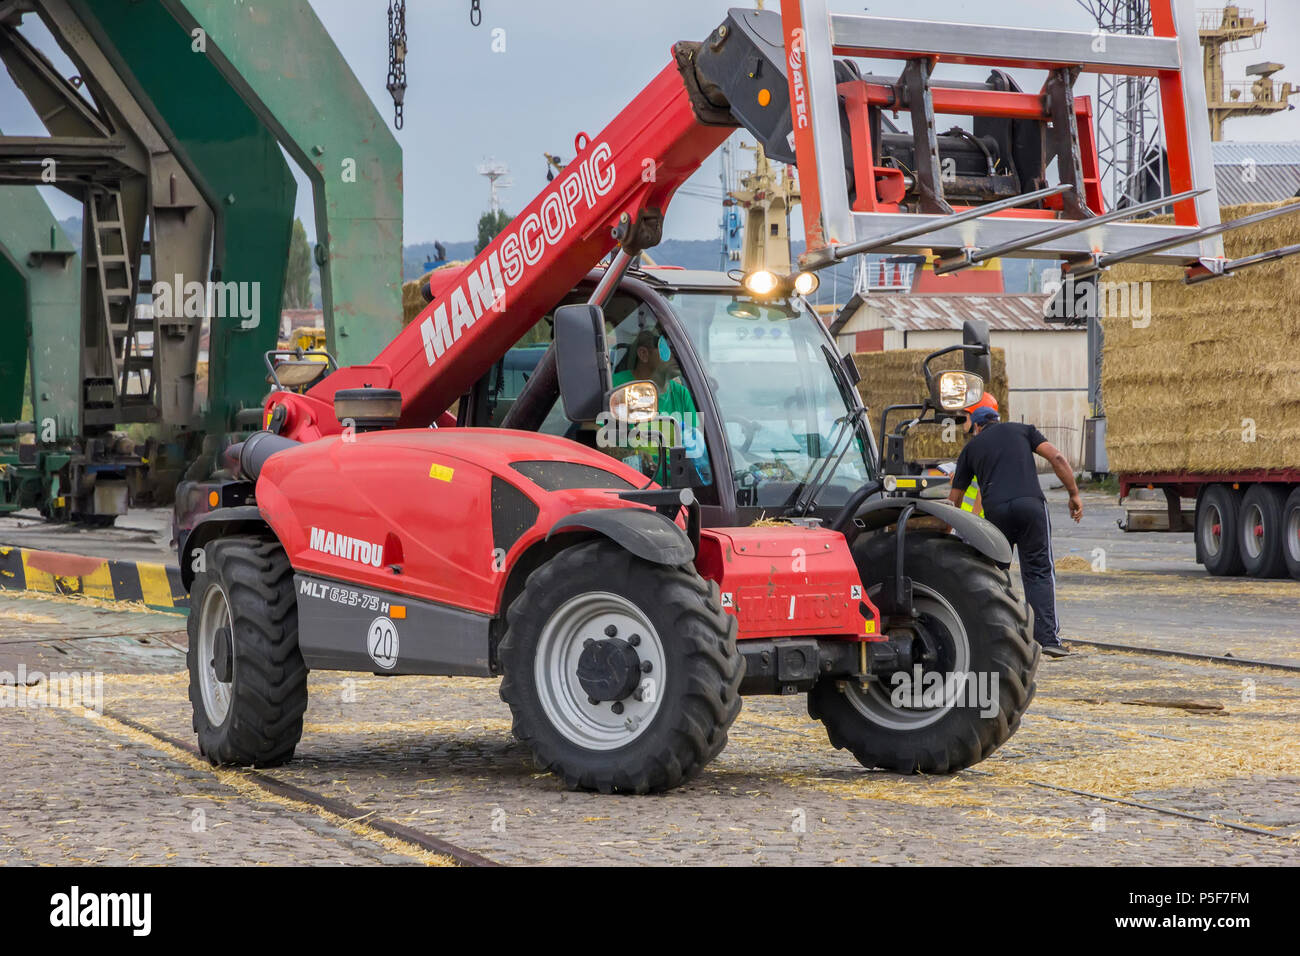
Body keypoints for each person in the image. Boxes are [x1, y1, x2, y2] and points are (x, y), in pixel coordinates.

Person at [947, 405, 1083, 658]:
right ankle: (1048, 640)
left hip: (996, 512)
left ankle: (999, 638)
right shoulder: (1023, 431)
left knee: (995, 573)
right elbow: (1057, 458)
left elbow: (953, 500)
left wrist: (947, 533)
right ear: (998, 420)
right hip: (1031, 506)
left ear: (977, 427)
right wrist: (1074, 494)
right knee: (1039, 570)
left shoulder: (971, 448)